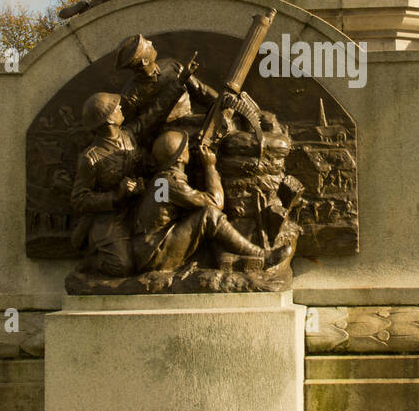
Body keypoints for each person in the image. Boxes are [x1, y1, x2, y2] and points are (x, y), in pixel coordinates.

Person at [131, 130, 292, 273]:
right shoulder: (168, 183)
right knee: (210, 215)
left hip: (148, 248)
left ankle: (227, 256)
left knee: (202, 215)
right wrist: (210, 167)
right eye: (186, 147)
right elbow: (216, 202)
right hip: (155, 252)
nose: (191, 149)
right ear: (180, 156)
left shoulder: (162, 181)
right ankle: (261, 255)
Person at [68, 93, 146, 284]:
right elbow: (79, 198)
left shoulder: (129, 137)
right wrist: (115, 196)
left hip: (137, 207)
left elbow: (155, 113)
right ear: (109, 119)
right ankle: (92, 260)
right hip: (109, 219)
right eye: (116, 108)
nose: (120, 109)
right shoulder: (90, 158)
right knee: (123, 266)